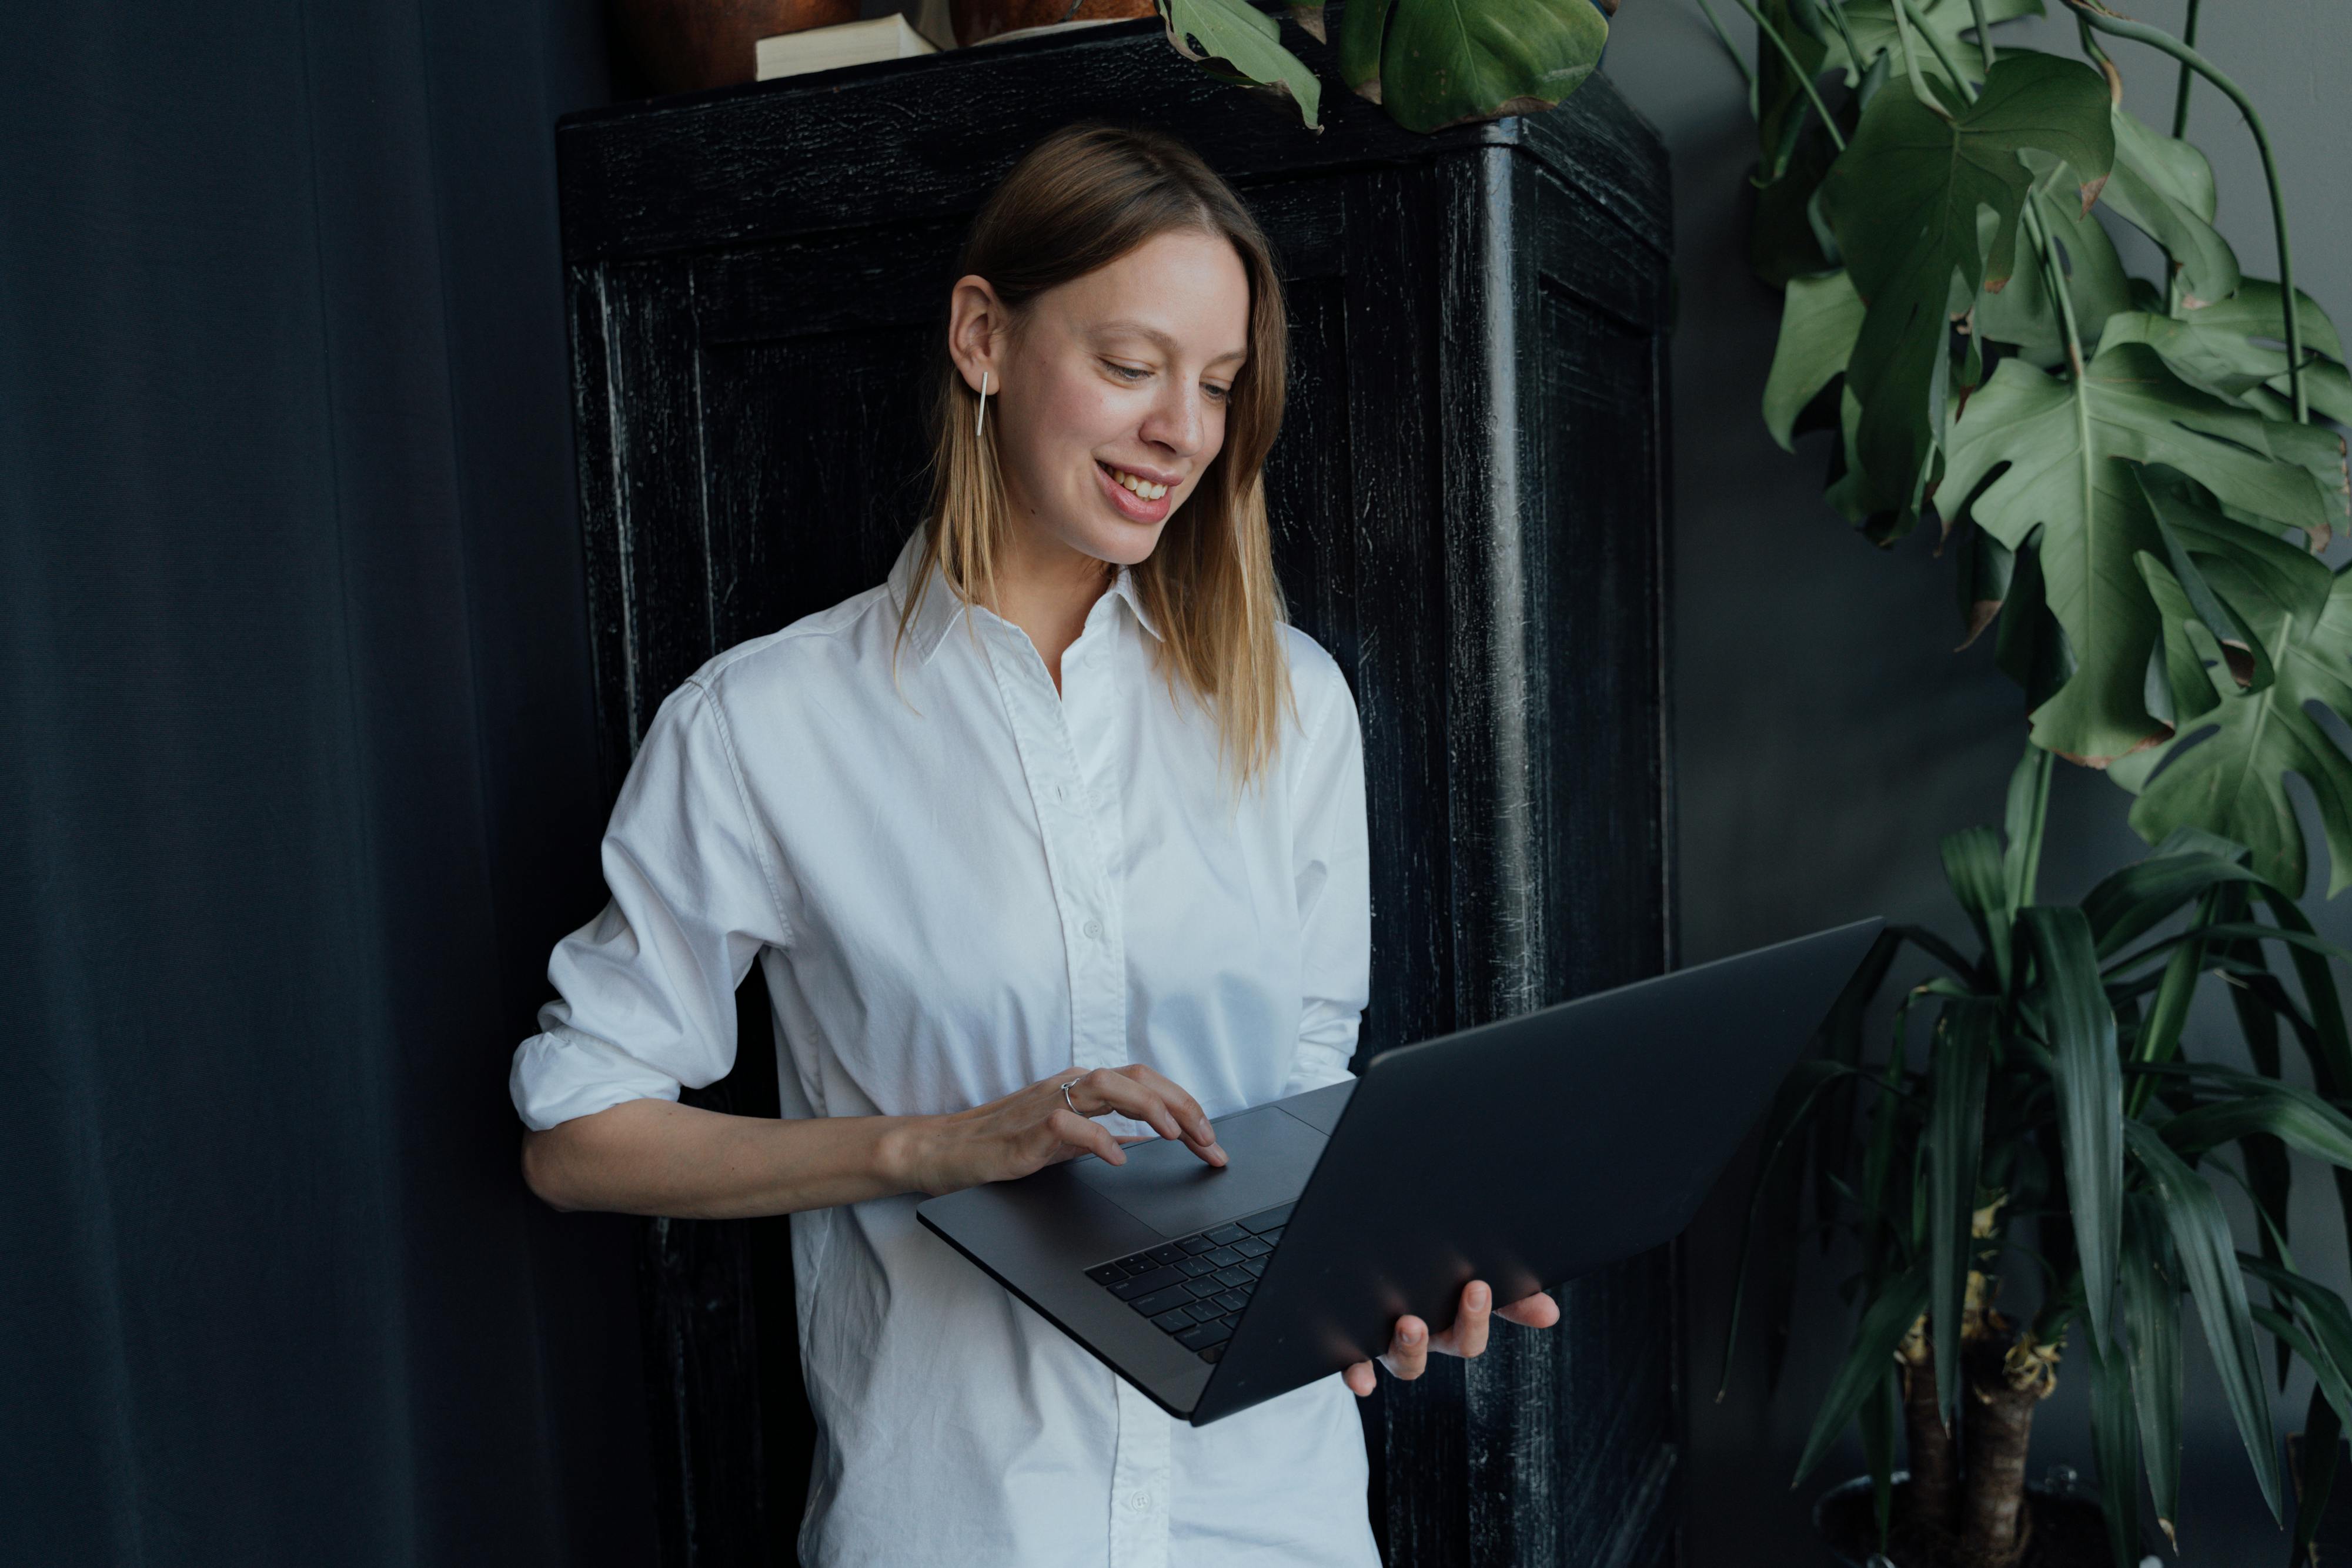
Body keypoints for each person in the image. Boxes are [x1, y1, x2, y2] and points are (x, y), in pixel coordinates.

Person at [509, 121, 1559, 1567]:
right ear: (983, 335)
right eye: (1130, 366)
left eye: (1216, 383)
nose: (1179, 429)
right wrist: (936, 1146)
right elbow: (575, 1136)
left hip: (1270, 1520)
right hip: (955, 1523)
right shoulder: (761, 727)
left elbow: (1308, 1100)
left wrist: (1382, 1272)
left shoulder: (1293, 701)